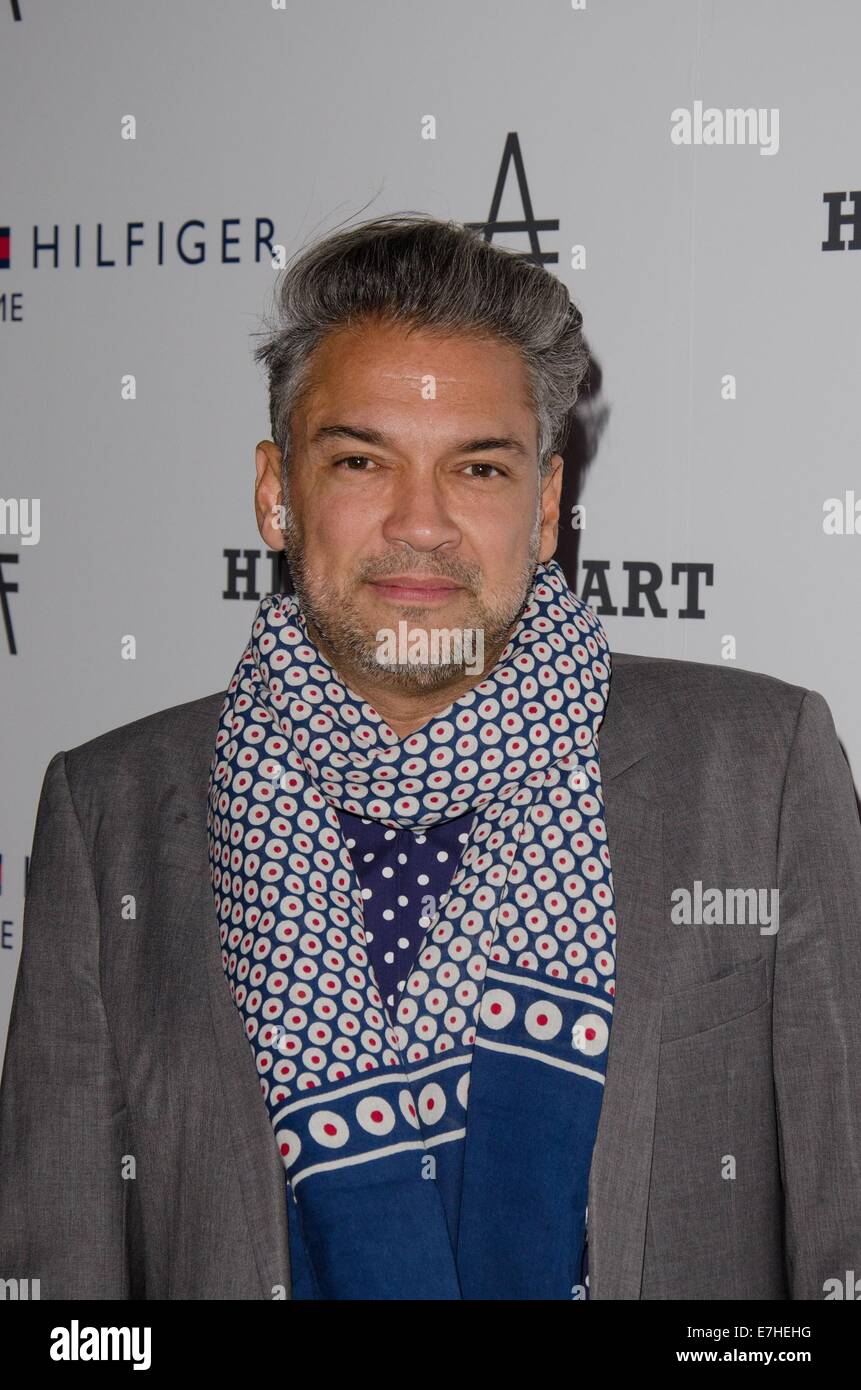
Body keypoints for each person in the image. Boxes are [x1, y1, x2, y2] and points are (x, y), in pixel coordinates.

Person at [1, 214, 859, 1300]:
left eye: (480, 469)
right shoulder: (108, 811)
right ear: (276, 492)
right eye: (362, 460)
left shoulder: (757, 770)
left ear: (547, 506)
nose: (422, 524)